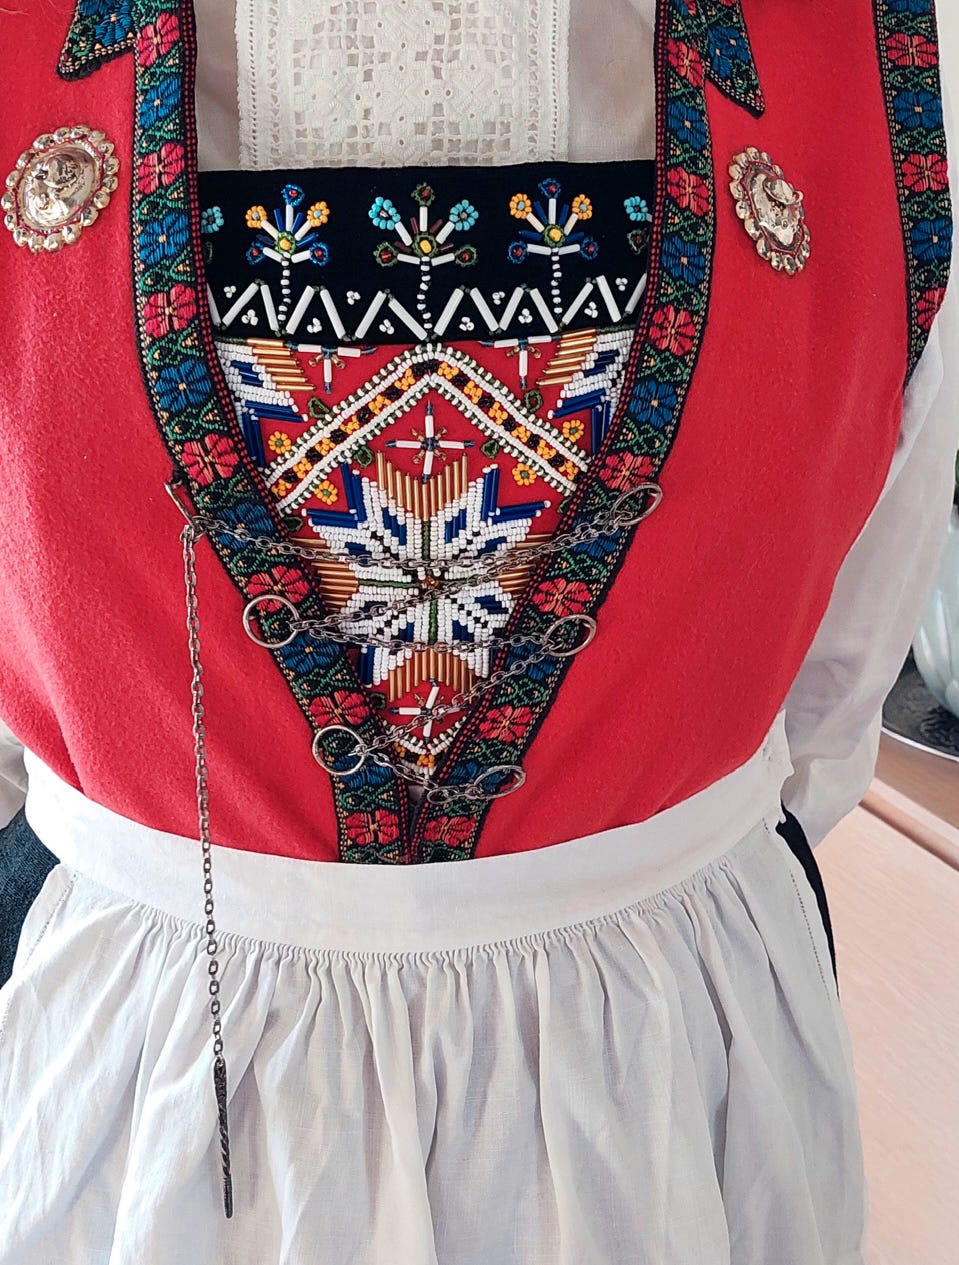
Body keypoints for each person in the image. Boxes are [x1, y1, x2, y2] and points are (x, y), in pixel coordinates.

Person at [0, 1, 955, 1261]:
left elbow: (833, 678)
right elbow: (828, 714)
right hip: (147, 1083)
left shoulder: (869, 50)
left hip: (662, 1072)